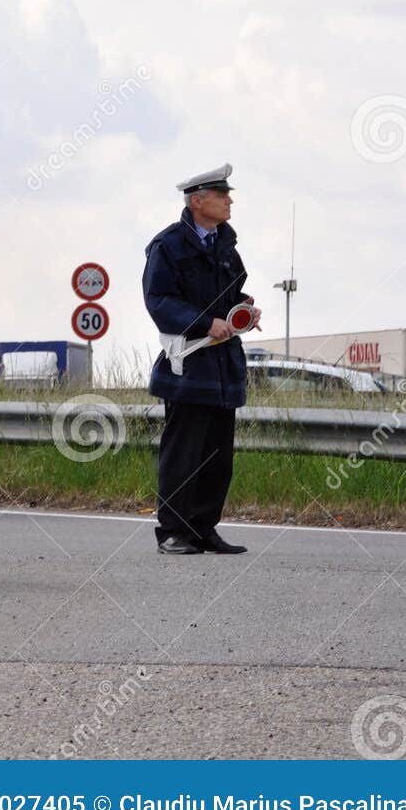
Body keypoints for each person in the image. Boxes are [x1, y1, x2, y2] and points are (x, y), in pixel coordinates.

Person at [142, 163, 255, 555]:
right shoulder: (168, 246)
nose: (229, 201)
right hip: (189, 366)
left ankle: (204, 529)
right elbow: (159, 301)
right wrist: (207, 322)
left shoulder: (227, 247)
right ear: (197, 201)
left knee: (218, 458)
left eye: (228, 195)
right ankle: (173, 532)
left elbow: (235, 293)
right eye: (222, 195)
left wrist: (243, 312)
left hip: (223, 369)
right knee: (182, 456)